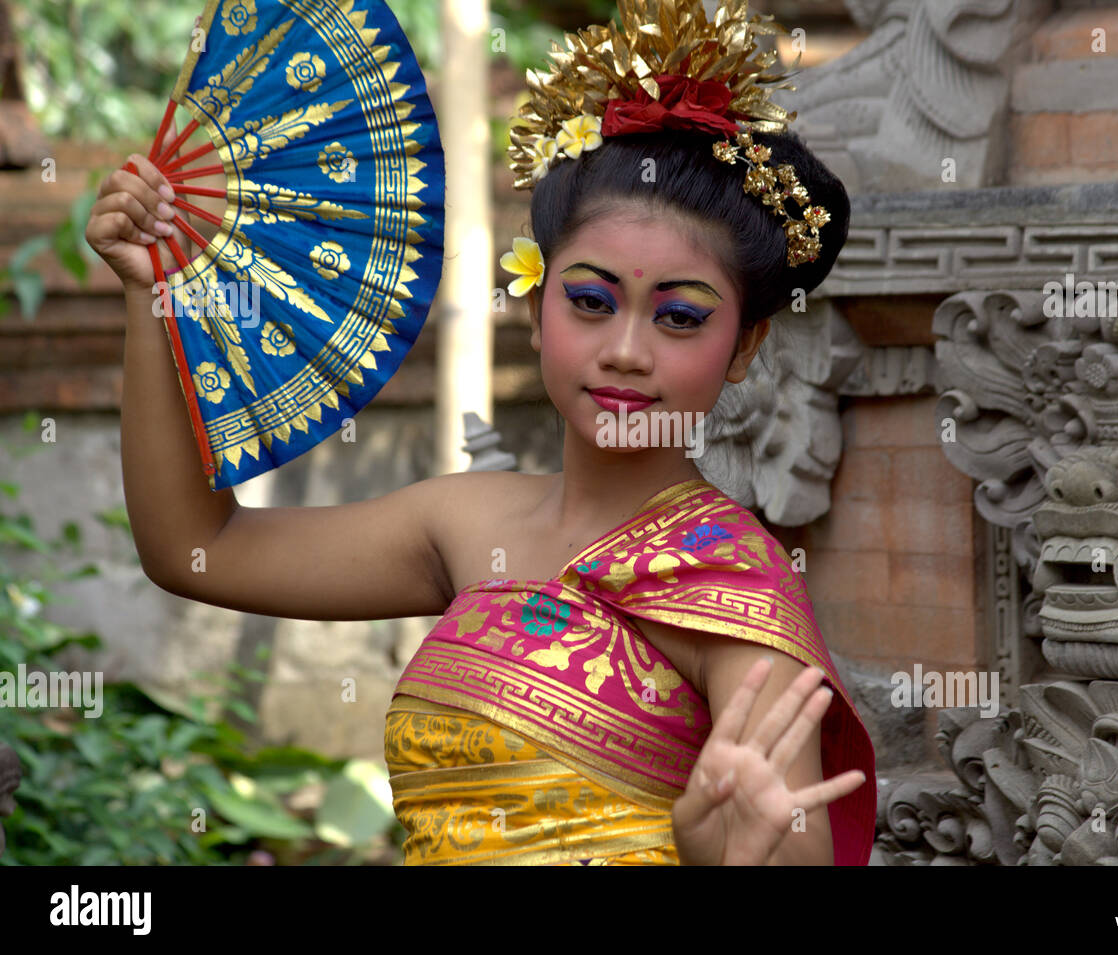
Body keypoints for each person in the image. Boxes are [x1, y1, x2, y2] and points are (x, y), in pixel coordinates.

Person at [85, 0, 876, 865]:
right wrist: (152, 296)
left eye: (680, 317)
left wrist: (717, 851)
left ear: (744, 347)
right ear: (535, 310)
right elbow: (195, 547)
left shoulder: (739, 586)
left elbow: (784, 841)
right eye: (589, 300)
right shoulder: (467, 524)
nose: (625, 350)